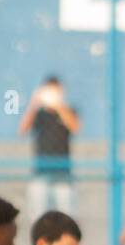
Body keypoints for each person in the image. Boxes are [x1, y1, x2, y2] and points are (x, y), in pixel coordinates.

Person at [19, 76, 80, 224]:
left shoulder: (68, 110)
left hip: (63, 174)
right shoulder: (39, 114)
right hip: (41, 173)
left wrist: (58, 105)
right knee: (38, 217)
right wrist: (35, 103)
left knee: (67, 217)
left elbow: (75, 127)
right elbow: (23, 129)